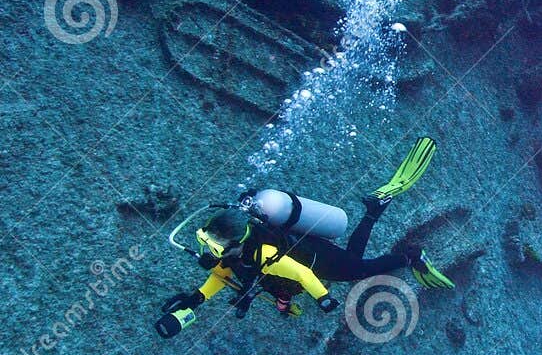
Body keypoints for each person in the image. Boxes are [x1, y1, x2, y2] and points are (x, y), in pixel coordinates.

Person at [155, 137, 452, 339]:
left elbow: (301, 273)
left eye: (214, 246)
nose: (208, 251)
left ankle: (410, 255)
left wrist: (323, 298)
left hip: (316, 259)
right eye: (205, 241)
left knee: (356, 270)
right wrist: (195, 300)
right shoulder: (237, 253)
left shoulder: (264, 255)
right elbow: (220, 276)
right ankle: (375, 210)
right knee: (353, 262)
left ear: (234, 243)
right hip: (304, 250)